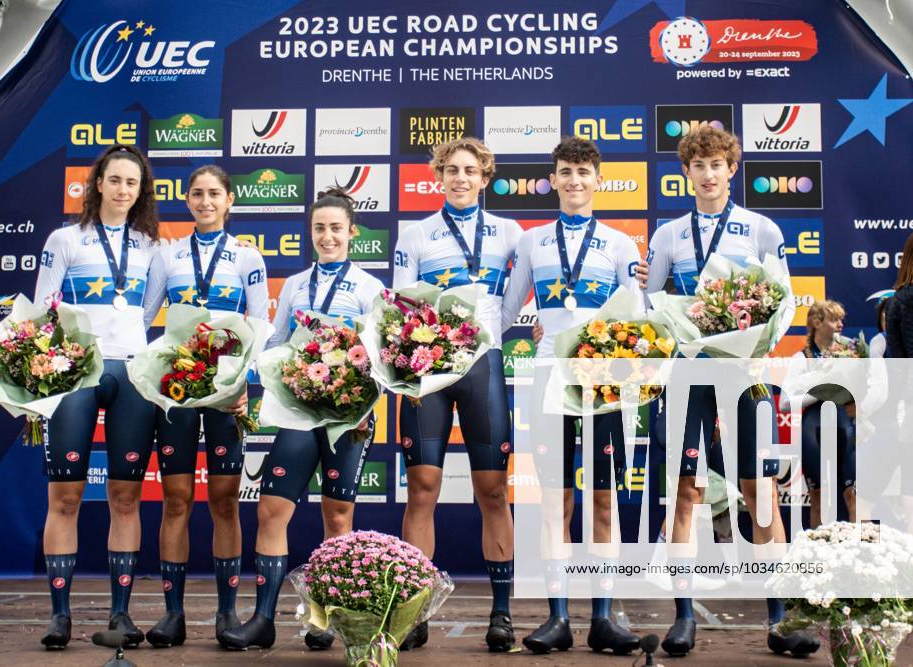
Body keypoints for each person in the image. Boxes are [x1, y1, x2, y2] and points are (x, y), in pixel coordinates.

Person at [644, 125, 819, 657]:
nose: (707, 174)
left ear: (731, 169)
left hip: (745, 373)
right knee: (685, 492)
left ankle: (782, 619)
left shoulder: (761, 229)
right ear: (687, 173)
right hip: (689, 371)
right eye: (698, 166)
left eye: (716, 164)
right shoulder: (668, 235)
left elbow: (784, 303)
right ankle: (683, 619)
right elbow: (652, 300)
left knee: (761, 492)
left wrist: (758, 339)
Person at [219, 188, 384, 651]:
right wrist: (255, 374)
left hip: (348, 416)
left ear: (353, 232)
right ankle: (263, 619)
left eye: (335, 228)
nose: (327, 237)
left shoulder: (372, 289)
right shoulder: (293, 284)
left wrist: (363, 399)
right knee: (271, 509)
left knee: (338, 516)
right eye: (319, 228)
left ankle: (330, 619)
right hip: (298, 413)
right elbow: (276, 346)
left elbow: (382, 357)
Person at [501, 136, 643, 655]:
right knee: (555, 502)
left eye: (584, 173)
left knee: (603, 500)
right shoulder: (532, 242)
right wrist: (463, 360)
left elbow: (639, 318)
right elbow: (506, 309)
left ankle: (603, 618)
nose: (575, 182)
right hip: (549, 381)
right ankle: (557, 617)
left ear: (598, 181)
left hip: (607, 385)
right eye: (565, 173)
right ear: (553, 180)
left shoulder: (622, 244)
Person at [391, 137, 521, 652]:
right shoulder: (415, 233)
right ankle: (414, 609)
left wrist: (482, 334)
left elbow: (511, 305)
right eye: (451, 170)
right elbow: (401, 304)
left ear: (485, 178)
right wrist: (437, 343)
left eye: (470, 171)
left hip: (482, 365)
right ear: (437, 177)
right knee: (422, 488)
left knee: (492, 490)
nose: (460, 178)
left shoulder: (510, 233)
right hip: (427, 369)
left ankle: (503, 613)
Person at [33, 144, 161, 649]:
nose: (123, 190)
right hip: (77, 372)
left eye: (132, 183)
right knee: (64, 496)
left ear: (140, 190)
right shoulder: (65, 239)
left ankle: (121, 615)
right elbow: (46, 308)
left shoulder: (151, 246)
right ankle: (59, 616)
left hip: (132, 371)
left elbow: (148, 310)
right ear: (98, 184)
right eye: (115, 180)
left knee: (125, 496)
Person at [140, 165, 268, 648]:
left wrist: (244, 385)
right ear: (188, 200)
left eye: (215, 193)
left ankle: (226, 613)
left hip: (227, 391)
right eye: (197, 194)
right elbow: (146, 317)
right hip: (176, 390)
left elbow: (260, 327)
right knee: (175, 500)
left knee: (224, 502)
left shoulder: (246, 256)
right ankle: (172, 616)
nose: (206, 201)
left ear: (230, 200)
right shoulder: (167, 255)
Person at [779, 301, 857, 527]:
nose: (841, 325)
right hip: (813, 431)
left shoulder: (849, 354)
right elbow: (784, 403)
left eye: (842, 320)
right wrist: (822, 390)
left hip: (845, 426)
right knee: (818, 499)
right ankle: (816, 559)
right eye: (835, 320)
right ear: (816, 323)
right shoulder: (800, 359)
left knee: (854, 496)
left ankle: (861, 556)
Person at [886, 232, 913, 533]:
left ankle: (911, 546)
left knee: (911, 474)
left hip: (910, 395)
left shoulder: (896, 302)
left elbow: (897, 360)